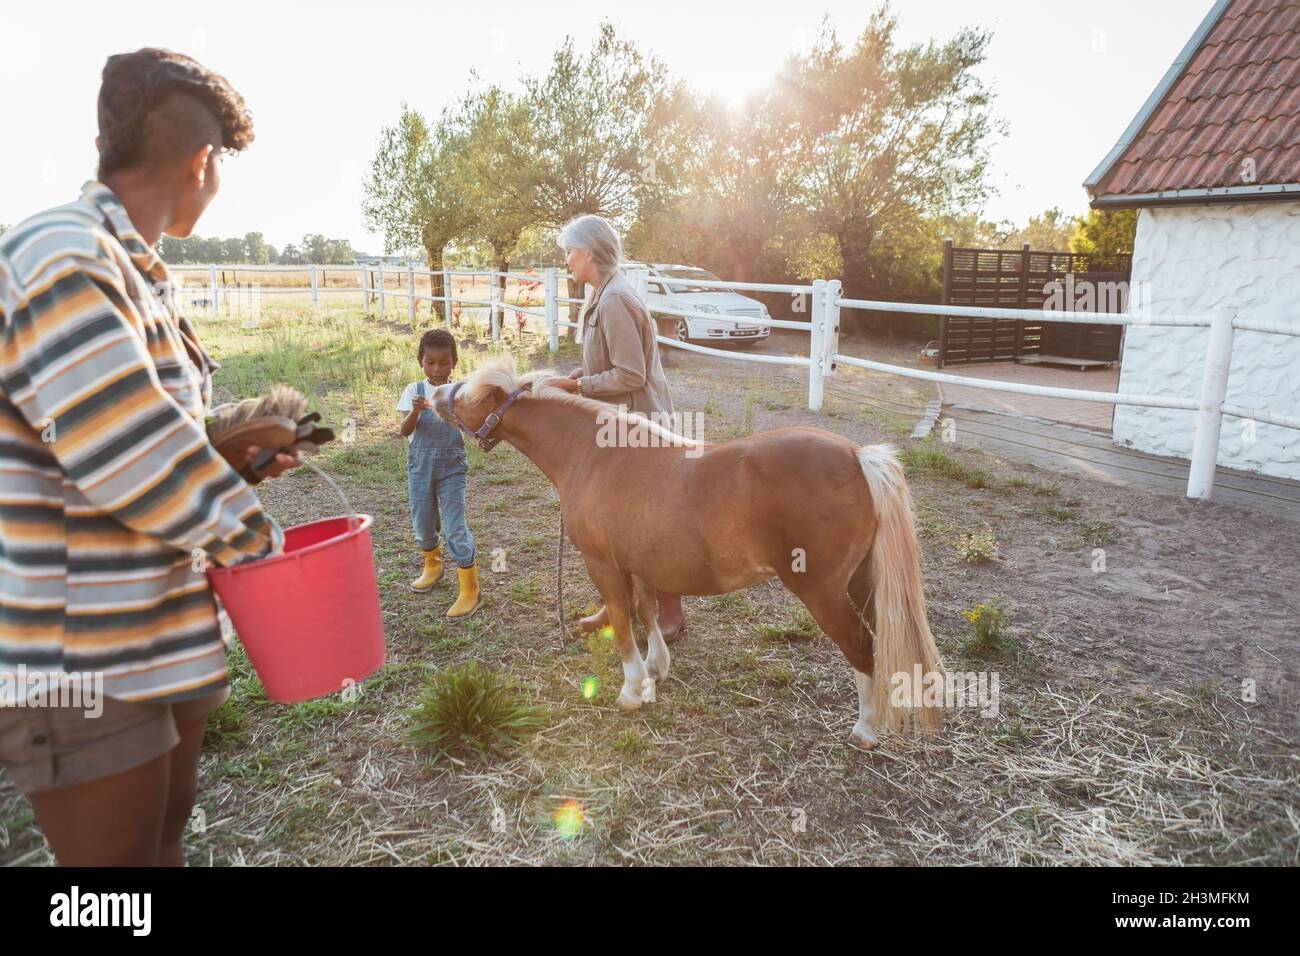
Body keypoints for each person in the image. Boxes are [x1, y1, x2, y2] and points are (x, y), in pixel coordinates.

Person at [0, 48, 298, 866]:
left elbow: (141, 428)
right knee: (108, 891)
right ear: (203, 162)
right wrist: (260, 543)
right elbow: (128, 451)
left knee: (161, 841)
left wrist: (238, 447)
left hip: (157, 625)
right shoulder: (62, 257)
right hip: (85, 656)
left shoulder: (133, 266)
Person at [549, 214, 686, 642]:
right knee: (616, 521)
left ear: (588, 253)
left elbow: (631, 375)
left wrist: (577, 385)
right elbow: (608, 364)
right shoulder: (601, 295)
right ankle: (618, 605)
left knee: (649, 522)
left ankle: (670, 611)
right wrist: (581, 374)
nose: (567, 260)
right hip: (617, 422)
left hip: (637, 424)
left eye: (570, 251)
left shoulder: (613, 300)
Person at [397, 329, 480, 618]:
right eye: (430, 362)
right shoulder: (413, 391)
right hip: (420, 468)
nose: (437, 369)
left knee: (456, 526)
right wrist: (416, 412)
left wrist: (460, 413)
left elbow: (470, 429)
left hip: (452, 469)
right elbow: (404, 431)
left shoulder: (460, 392)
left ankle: (470, 588)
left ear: (454, 362)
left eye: (444, 363)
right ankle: (433, 565)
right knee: (423, 523)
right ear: (421, 361)